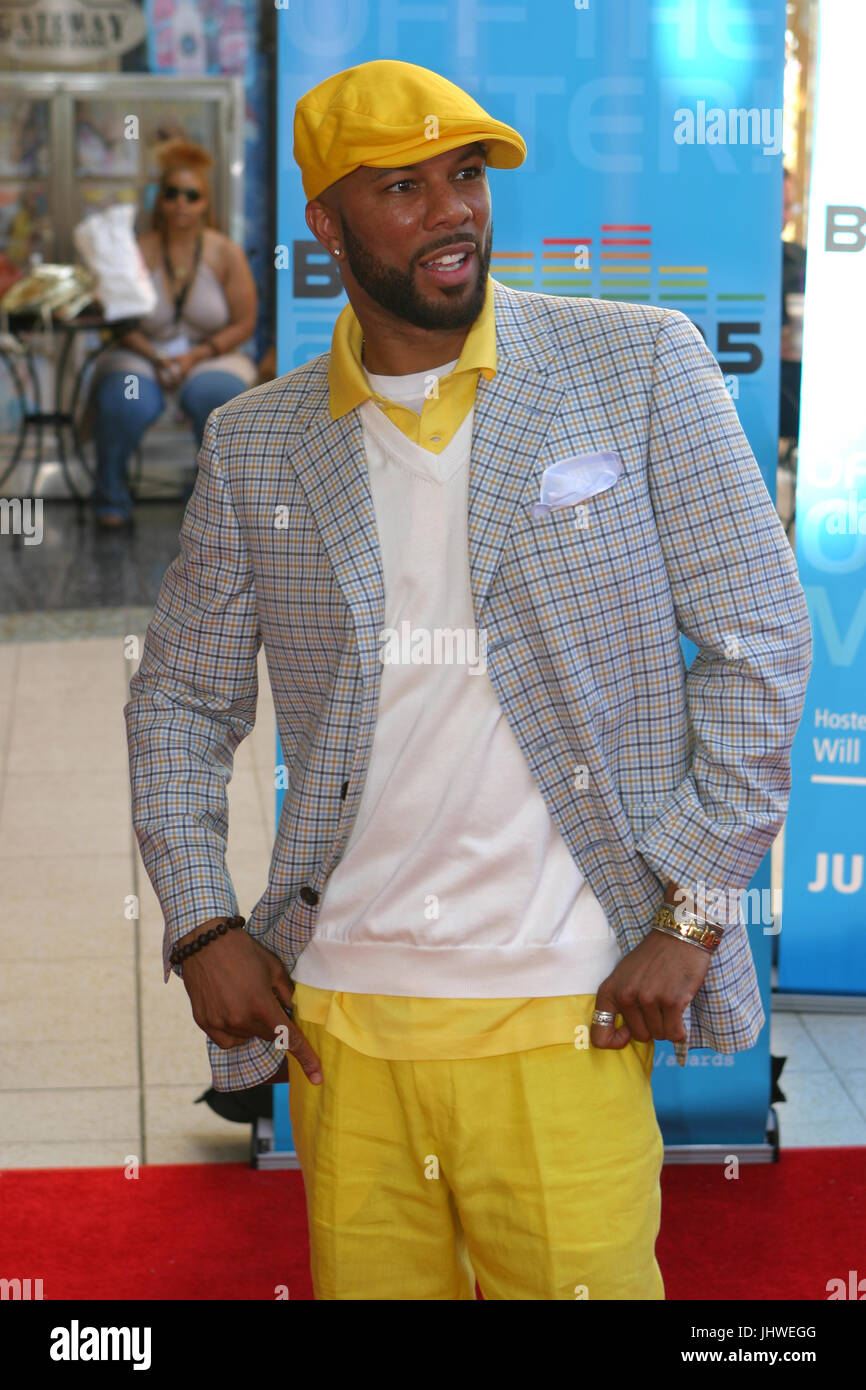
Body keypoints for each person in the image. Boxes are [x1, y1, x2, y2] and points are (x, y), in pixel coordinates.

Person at [125, 60, 812, 1300]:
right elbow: (179, 697)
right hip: (342, 1023)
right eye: (403, 186)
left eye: (465, 175)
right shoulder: (255, 440)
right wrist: (200, 921)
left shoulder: (637, 365)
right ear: (325, 224)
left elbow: (759, 638)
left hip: (566, 1008)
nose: (452, 210)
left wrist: (694, 910)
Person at [88, 137, 258, 530]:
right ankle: (111, 496)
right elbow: (119, 323)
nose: (181, 203)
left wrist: (193, 358)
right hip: (141, 353)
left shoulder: (225, 252)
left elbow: (245, 322)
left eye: (192, 195)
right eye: (172, 193)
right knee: (124, 400)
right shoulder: (136, 251)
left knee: (216, 399)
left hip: (210, 355)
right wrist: (156, 357)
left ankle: (213, 507)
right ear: (160, 201)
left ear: (205, 203)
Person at [780, 165, 807, 442]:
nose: (785, 217)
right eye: (779, 206)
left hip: (798, 402)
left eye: (789, 207)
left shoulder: (802, 261)